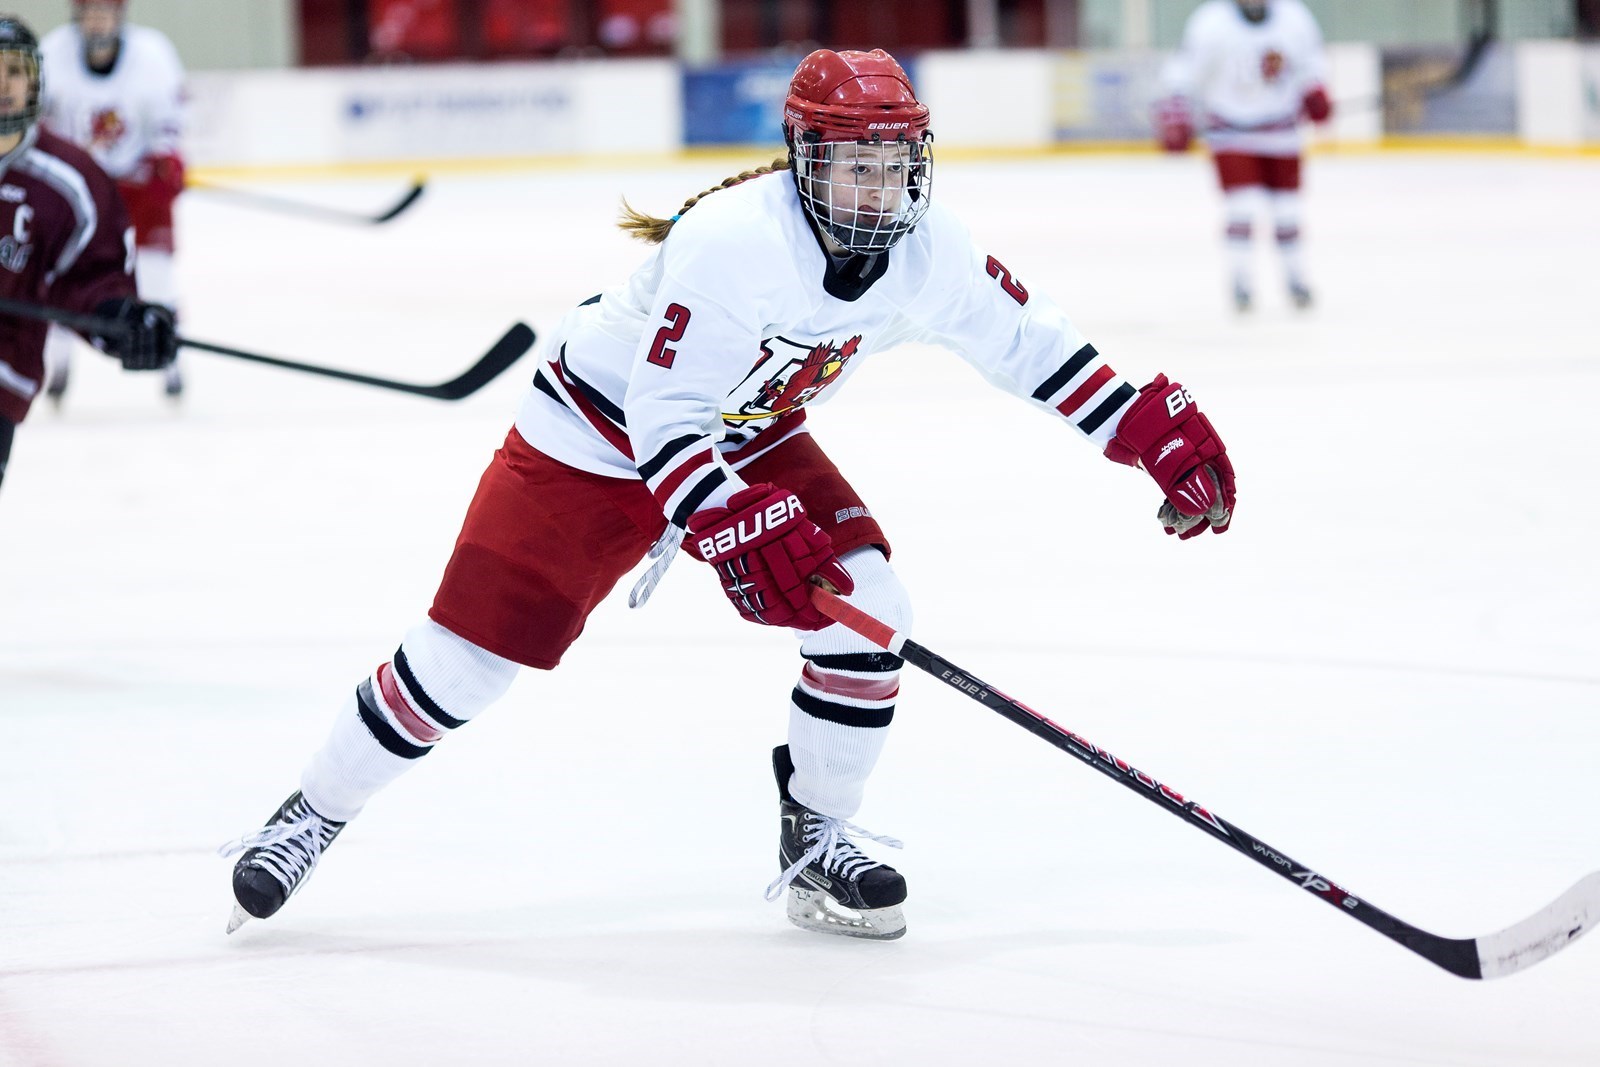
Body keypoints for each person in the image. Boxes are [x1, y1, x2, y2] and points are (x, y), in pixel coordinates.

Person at [220, 48, 1237, 941]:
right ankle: (312, 810)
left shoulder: (931, 250)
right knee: (465, 665)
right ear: (805, 159)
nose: (879, 189)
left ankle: (818, 838)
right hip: (592, 436)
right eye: (855, 164)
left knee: (872, 611)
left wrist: (1143, 428)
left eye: (894, 163)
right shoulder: (733, 242)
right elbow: (664, 414)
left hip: (750, 431)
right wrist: (724, 519)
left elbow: (1030, 343)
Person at [0, 15, 176, 497]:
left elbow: (90, 281)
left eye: (14, 72)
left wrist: (121, 323)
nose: (2, 85)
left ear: (35, 81)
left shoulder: (69, 182)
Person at [37, 0, 185, 401]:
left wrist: (166, 159)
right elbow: (40, 124)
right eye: (90, 10)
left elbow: (171, 120)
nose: (97, 19)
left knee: (155, 270)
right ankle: (59, 363)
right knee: (62, 270)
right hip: (78, 186)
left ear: (120, 15)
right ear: (77, 14)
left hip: (138, 184)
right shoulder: (53, 53)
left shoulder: (152, 55)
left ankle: (171, 361)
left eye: (105, 10)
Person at [1156, 0, 1332, 311]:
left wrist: (1314, 90)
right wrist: (1178, 109)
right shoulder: (1210, 22)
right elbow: (1184, 69)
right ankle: (1241, 283)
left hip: (1281, 132)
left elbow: (1311, 62)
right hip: (1231, 132)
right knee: (1242, 208)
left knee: (1287, 212)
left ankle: (1296, 279)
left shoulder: (1294, 17)